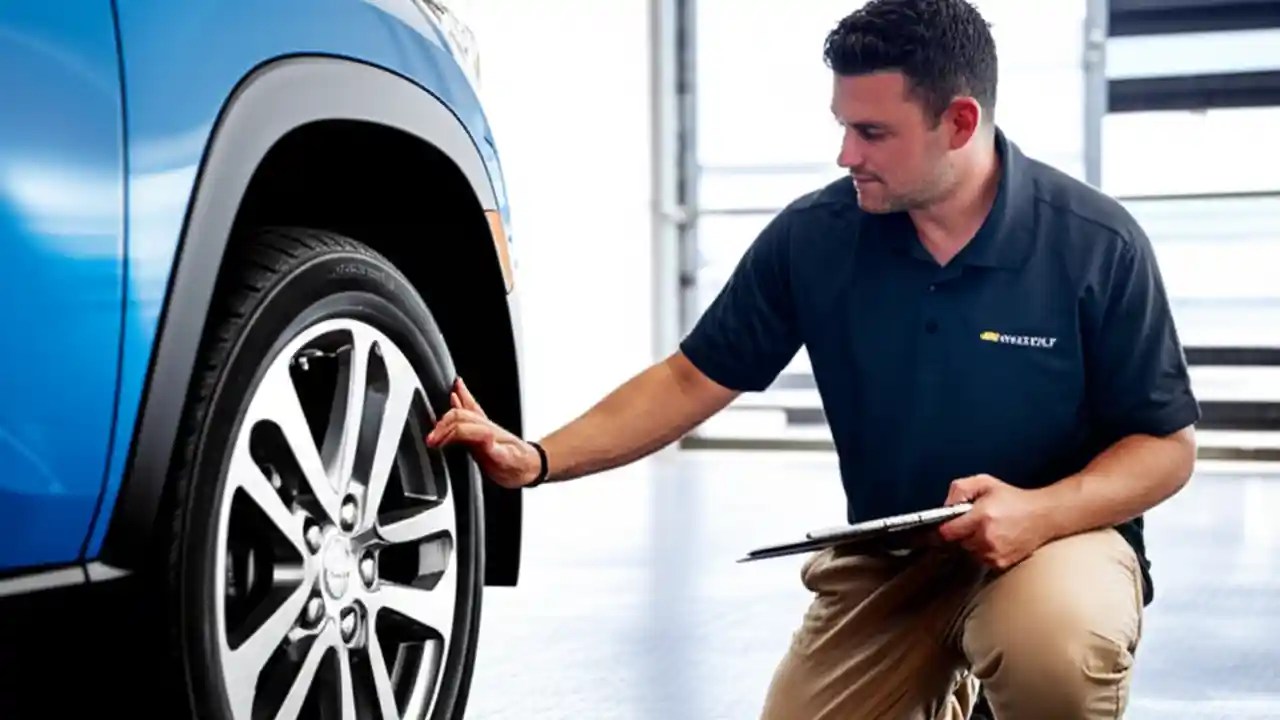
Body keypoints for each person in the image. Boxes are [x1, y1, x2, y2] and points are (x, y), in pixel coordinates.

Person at [426, 0, 1201, 717]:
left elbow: (1166, 448)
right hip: (893, 557)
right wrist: (538, 458)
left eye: (872, 133)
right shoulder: (816, 238)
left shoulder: (1094, 243)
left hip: (1055, 539)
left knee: (1053, 653)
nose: (844, 154)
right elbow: (691, 377)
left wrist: (1039, 512)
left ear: (959, 122)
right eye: (842, 125)